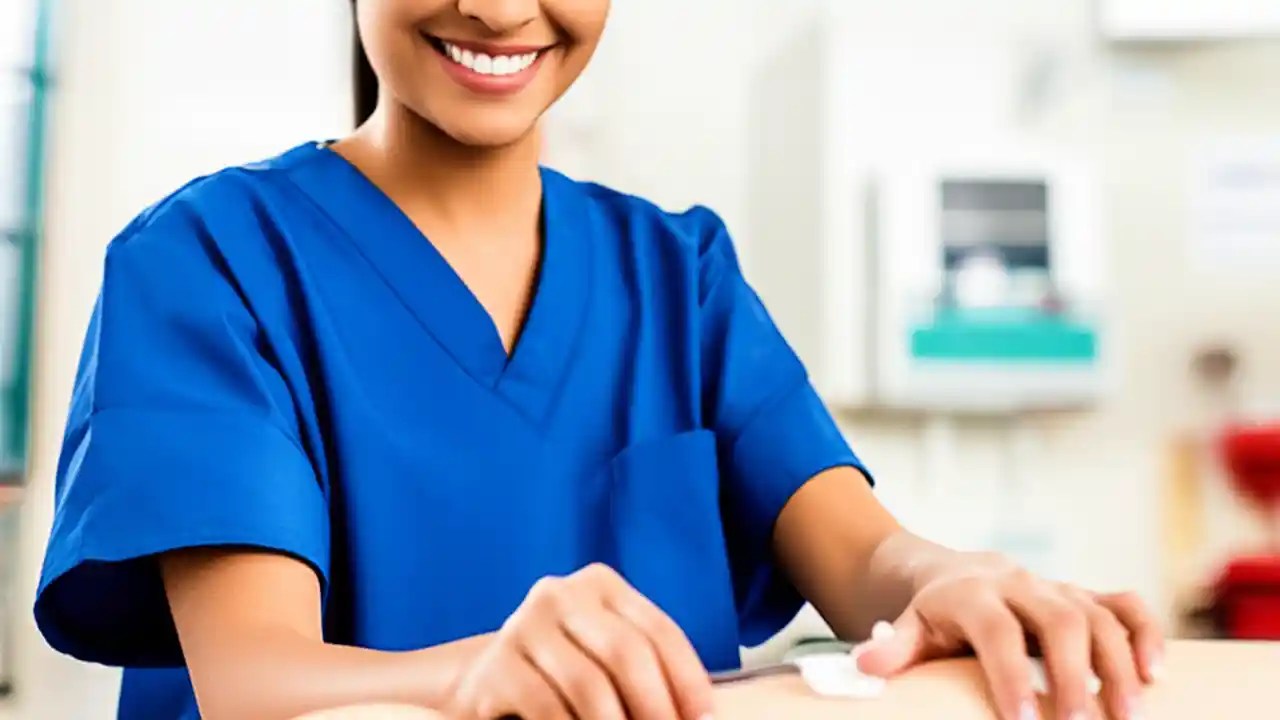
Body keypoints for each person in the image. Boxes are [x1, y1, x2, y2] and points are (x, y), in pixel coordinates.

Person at [34, 1, 1162, 719]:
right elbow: (256, 684)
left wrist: (946, 579)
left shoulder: (680, 274)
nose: (496, 6)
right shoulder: (210, 264)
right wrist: (472, 676)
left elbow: (863, 559)